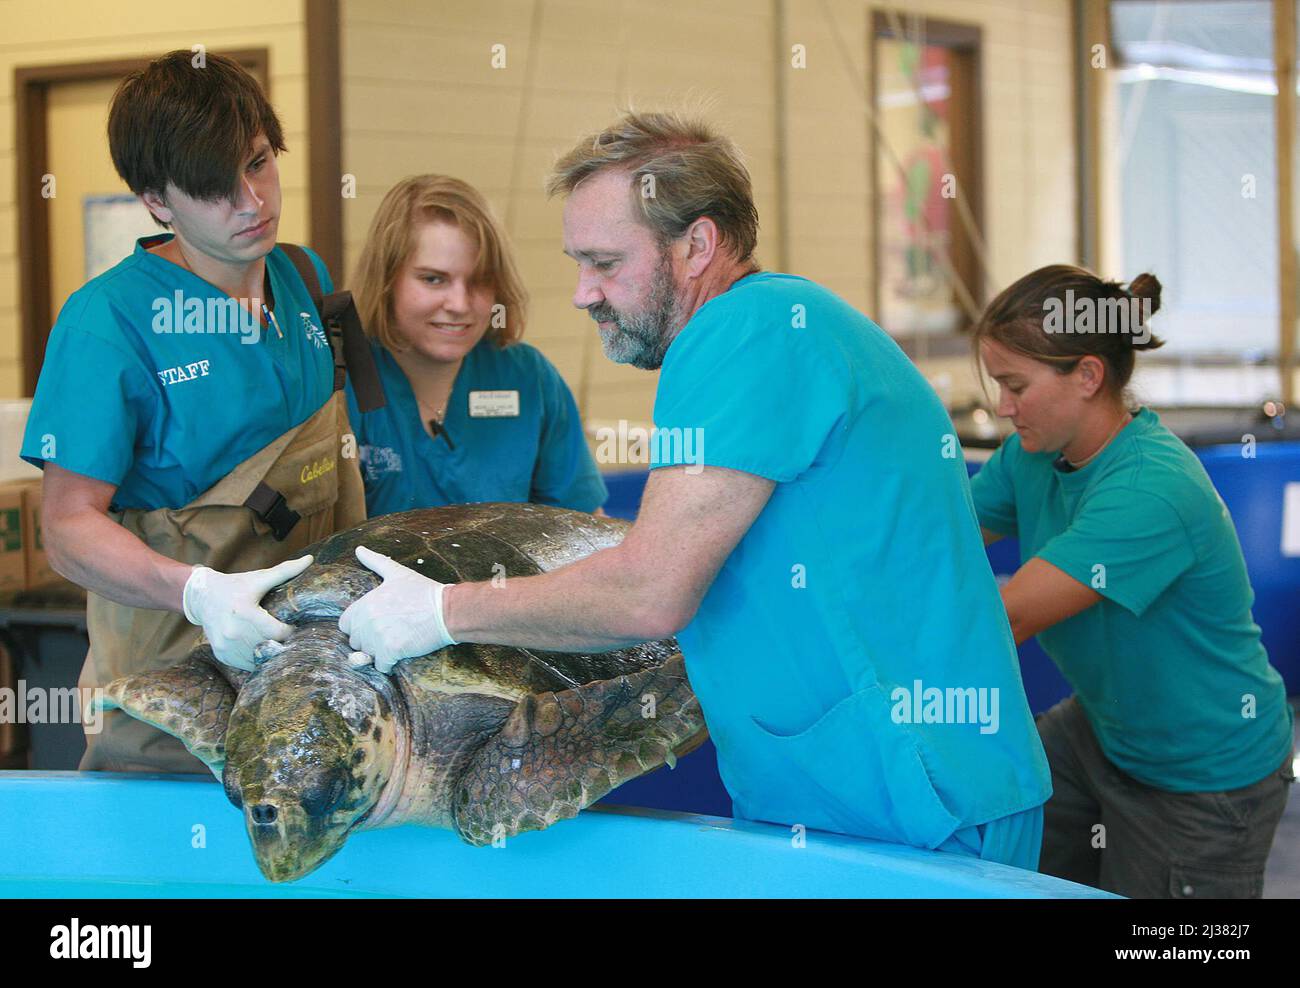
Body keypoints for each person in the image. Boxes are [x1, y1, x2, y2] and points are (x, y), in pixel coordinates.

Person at [336, 111, 1053, 869]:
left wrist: (442, 613)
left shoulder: (745, 333)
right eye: (578, 263)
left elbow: (649, 592)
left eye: (605, 263)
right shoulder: (771, 327)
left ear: (697, 246)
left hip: (913, 799)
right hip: (848, 792)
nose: (583, 293)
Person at [20, 51, 369, 773]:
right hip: (175, 694)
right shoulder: (105, 325)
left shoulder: (304, 279)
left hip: (318, 679)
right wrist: (199, 593)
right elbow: (66, 529)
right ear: (155, 199)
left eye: (259, 163)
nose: (252, 200)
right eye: (215, 186)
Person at [969, 264, 1295, 897]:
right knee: (1005, 815)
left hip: (1205, 771)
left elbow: (1003, 620)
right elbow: (938, 539)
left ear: (1088, 375)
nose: (1001, 409)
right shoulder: (1029, 455)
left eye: (1015, 386)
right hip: (1104, 725)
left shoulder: (1151, 490)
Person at [345, 175, 606, 516]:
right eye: (433, 279)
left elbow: (583, 528)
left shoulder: (528, 379)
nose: (459, 303)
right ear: (387, 279)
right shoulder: (340, 384)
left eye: (479, 280)